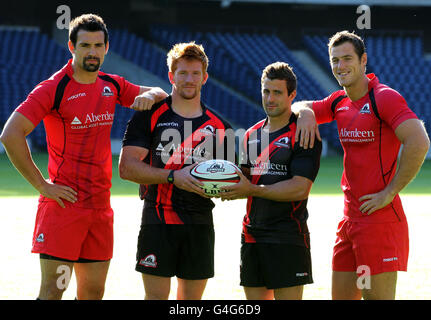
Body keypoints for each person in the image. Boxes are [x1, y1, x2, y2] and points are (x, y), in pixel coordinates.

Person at [0, 14, 167, 300]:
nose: (92, 52)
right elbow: (10, 134)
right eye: (85, 45)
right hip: (64, 205)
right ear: (71, 47)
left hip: (100, 208)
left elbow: (161, 92)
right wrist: (42, 185)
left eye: (98, 45)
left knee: (93, 292)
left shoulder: (111, 84)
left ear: (106, 48)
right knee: (54, 290)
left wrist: (149, 96)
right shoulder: (53, 88)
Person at [292, 31, 430, 300]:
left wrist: (390, 192)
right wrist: (307, 112)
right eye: (335, 60)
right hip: (349, 221)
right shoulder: (338, 101)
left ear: (363, 60)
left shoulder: (384, 98)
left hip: (378, 221)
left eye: (347, 59)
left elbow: (419, 141)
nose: (340, 66)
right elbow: (298, 105)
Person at [118, 41, 235, 300]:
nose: (189, 79)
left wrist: (222, 185)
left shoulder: (220, 128)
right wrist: (173, 176)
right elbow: (126, 168)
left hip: (199, 223)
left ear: (205, 77)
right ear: (171, 76)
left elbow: (229, 180)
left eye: (195, 73)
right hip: (157, 220)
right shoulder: (149, 114)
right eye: (182, 73)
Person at [219, 62, 322, 300]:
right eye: (266, 91)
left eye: (277, 92)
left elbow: (300, 188)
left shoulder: (303, 134)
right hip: (252, 235)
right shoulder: (250, 135)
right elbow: (244, 178)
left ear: (292, 95)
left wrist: (252, 188)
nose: (270, 98)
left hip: (287, 236)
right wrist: (217, 181)